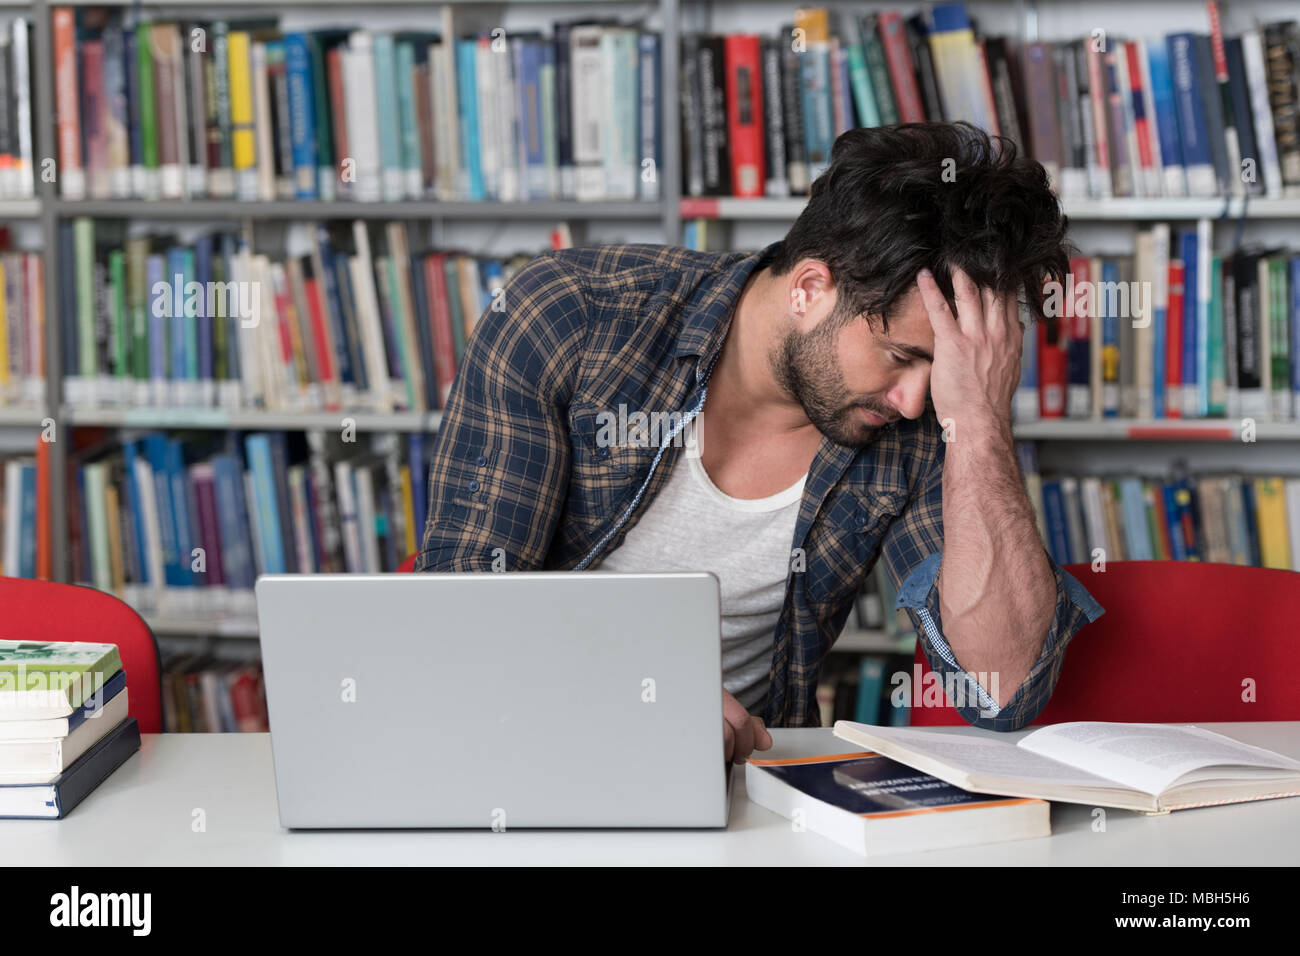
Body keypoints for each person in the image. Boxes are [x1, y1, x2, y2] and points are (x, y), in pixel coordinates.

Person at [415, 122, 1104, 763]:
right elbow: (464, 605)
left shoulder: (931, 422)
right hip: (532, 738)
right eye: (900, 356)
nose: (915, 400)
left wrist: (980, 419)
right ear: (811, 288)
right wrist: (639, 696)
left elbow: (1003, 691)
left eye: (946, 372)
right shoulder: (575, 315)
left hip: (742, 771)